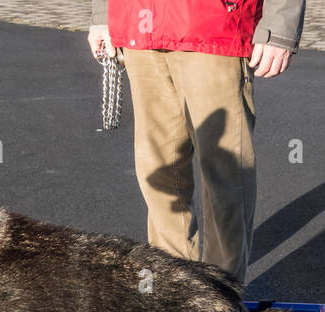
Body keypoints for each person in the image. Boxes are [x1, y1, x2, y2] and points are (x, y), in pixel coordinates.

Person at [88, 0, 304, 284]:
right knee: (158, 172)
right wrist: (105, 15)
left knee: (224, 174)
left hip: (214, 27)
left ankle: (221, 298)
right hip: (140, 31)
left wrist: (280, 24)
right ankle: (174, 293)